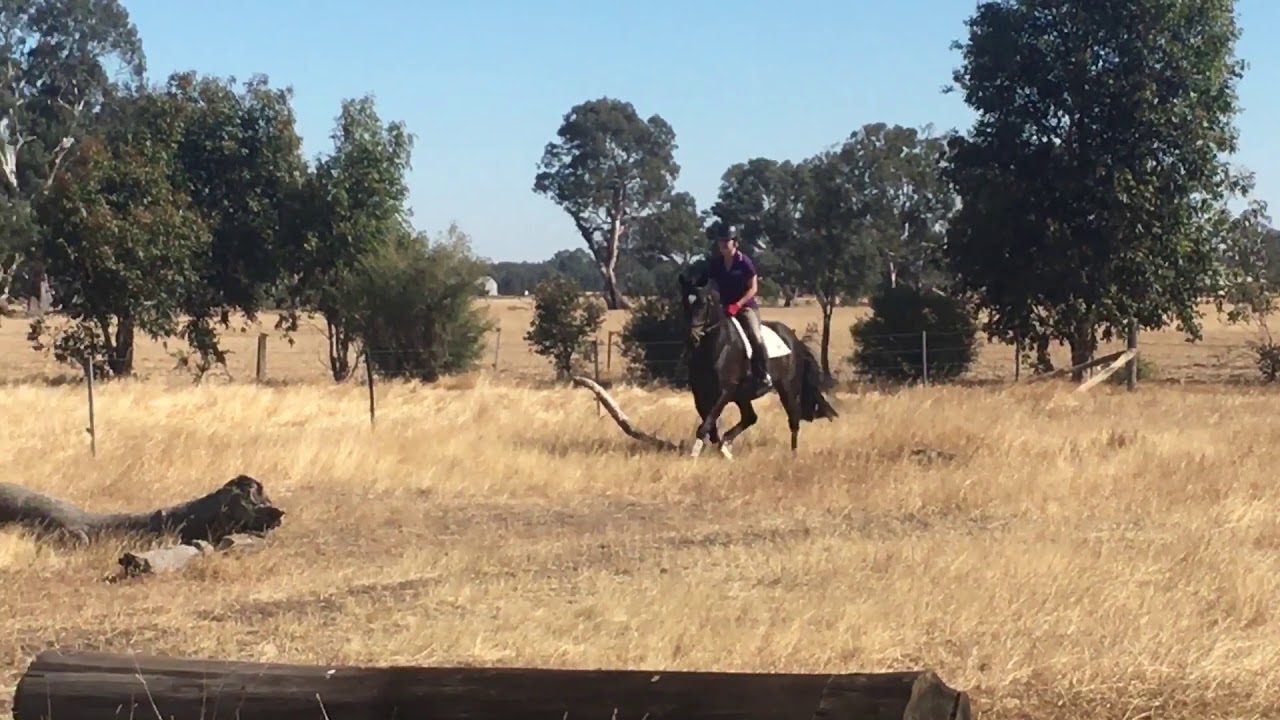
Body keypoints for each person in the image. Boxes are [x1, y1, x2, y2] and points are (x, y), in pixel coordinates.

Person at [693, 224, 772, 395]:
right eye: (721, 241)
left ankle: (764, 374)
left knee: (755, 336)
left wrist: (738, 304)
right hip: (723, 308)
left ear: (735, 243)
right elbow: (710, 284)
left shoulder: (745, 263)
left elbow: (753, 288)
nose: (722, 245)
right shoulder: (716, 264)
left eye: (726, 241)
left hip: (745, 308)